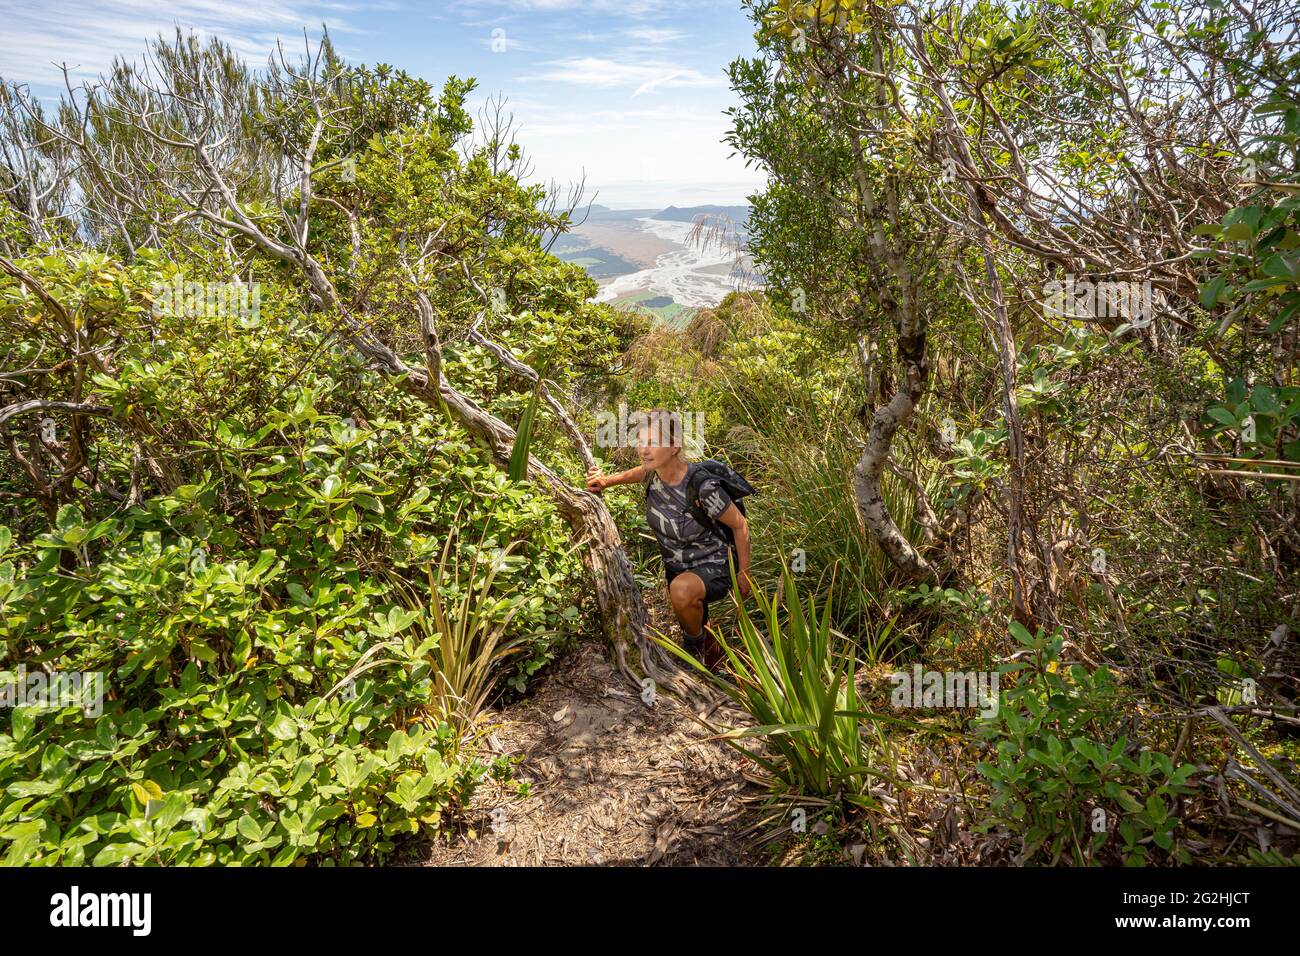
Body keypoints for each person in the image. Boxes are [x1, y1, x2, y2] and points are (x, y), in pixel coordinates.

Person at [585, 409, 752, 669]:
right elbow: (639, 472)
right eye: (641, 441)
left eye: (652, 442)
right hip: (677, 564)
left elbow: (740, 526)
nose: (643, 449)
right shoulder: (655, 471)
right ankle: (714, 655)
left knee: (682, 592)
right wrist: (606, 481)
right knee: (691, 607)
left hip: (715, 563)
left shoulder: (703, 488)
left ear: (674, 447)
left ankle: (692, 653)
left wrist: (744, 573)